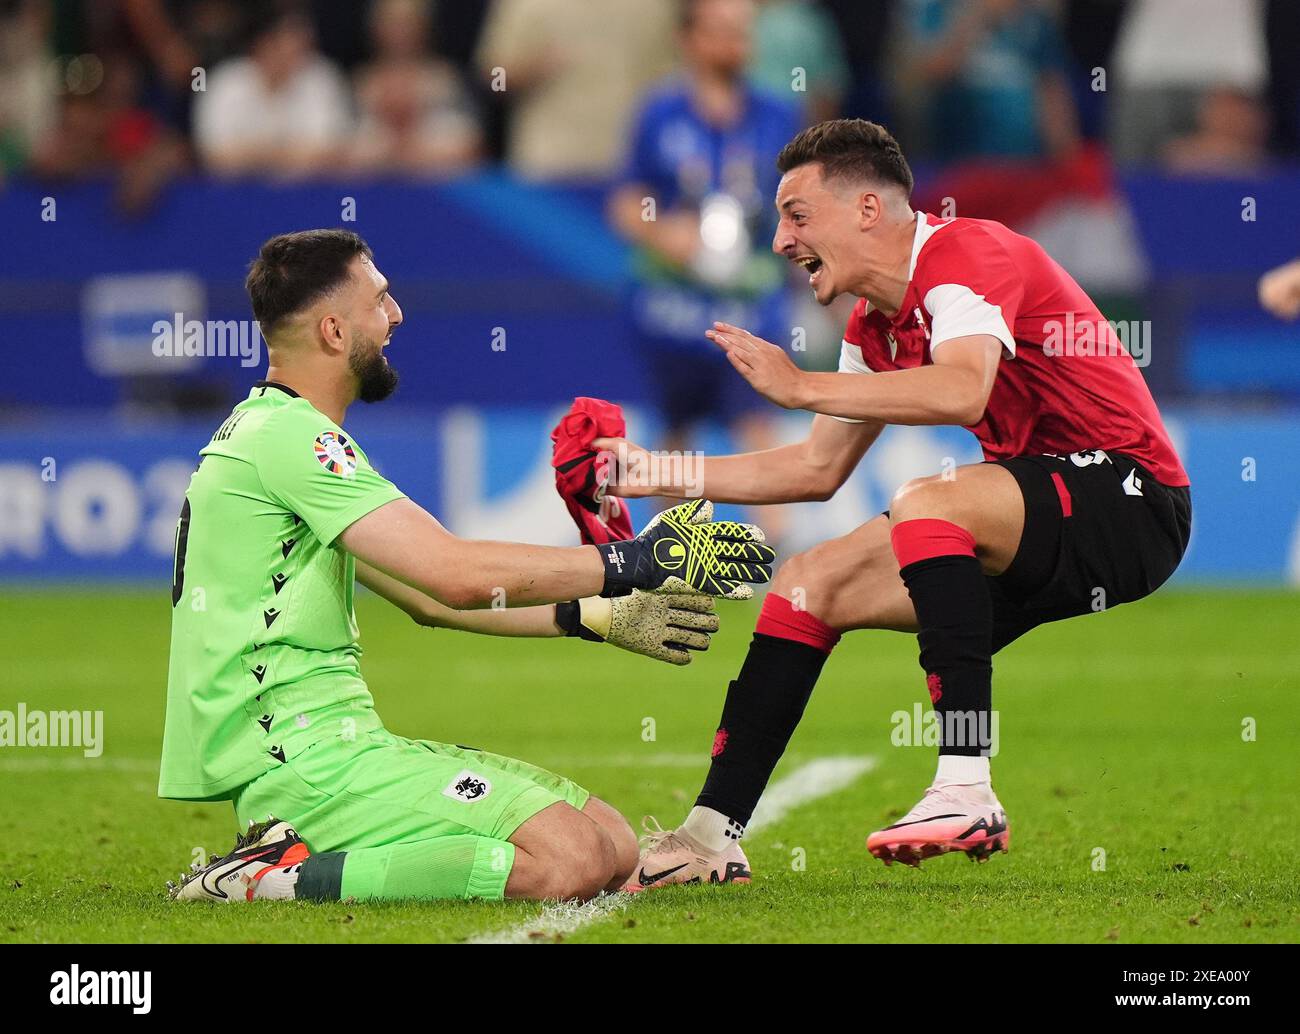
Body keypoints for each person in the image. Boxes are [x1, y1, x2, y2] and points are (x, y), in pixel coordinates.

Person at [597, 119, 1192, 888]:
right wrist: (657, 470)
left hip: (1133, 498)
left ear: (868, 210)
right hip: (1039, 517)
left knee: (927, 502)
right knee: (808, 584)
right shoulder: (872, 325)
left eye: (797, 215)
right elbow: (815, 468)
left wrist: (801, 384)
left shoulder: (965, 255)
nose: (779, 240)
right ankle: (710, 839)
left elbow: (962, 386)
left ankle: (965, 785)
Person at [163, 229, 774, 905]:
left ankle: (299, 855)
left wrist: (594, 617)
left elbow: (433, 600)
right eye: (381, 299)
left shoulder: (275, 433)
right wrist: (634, 561)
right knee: (569, 859)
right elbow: (453, 571)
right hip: (302, 760)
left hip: (338, 745)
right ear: (334, 331)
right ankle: (271, 878)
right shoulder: (292, 440)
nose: (396, 316)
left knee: (611, 841)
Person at [608, 0, 801, 539]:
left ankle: (781, 556)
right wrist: (661, 231)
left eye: (741, 33)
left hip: (750, 300)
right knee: (674, 431)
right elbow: (626, 201)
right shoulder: (659, 113)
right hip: (673, 306)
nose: (732, 44)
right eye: (719, 32)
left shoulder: (778, 117)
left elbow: (805, 199)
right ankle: (667, 556)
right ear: (689, 40)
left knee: (759, 418)